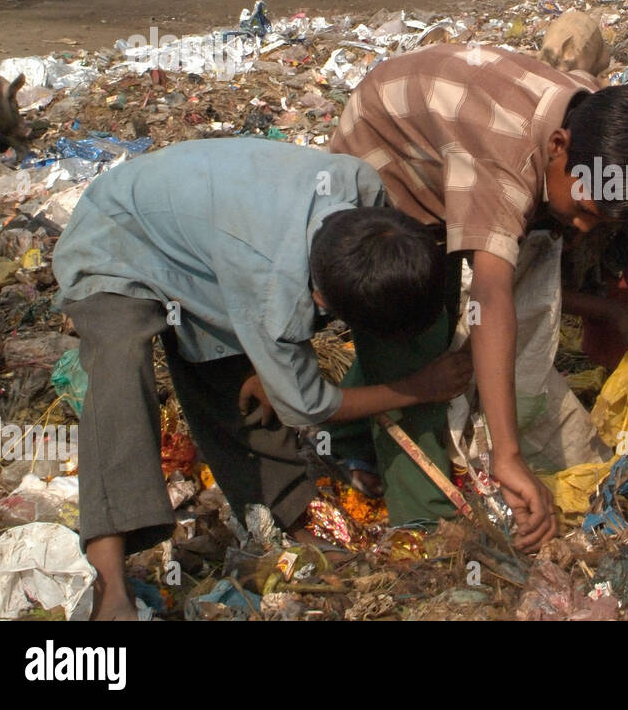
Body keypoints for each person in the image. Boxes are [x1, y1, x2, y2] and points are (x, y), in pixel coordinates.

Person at [53, 139, 472, 620]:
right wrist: (422, 387)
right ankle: (110, 586)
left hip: (204, 235)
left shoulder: (364, 191)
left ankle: (287, 525)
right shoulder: (273, 289)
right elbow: (308, 406)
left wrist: (266, 366)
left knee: (232, 384)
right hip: (115, 233)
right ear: (322, 300)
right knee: (119, 370)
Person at [330, 44, 628, 549]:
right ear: (558, 146)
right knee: (416, 336)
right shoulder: (504, 164)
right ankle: (424, 527)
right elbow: (490, 300)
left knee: (448, 330)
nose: (582, 224)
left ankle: (350, 438)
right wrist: (507, 455)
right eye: (584, 208)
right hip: (387, 162)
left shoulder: (601, 123)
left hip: (446, 129)